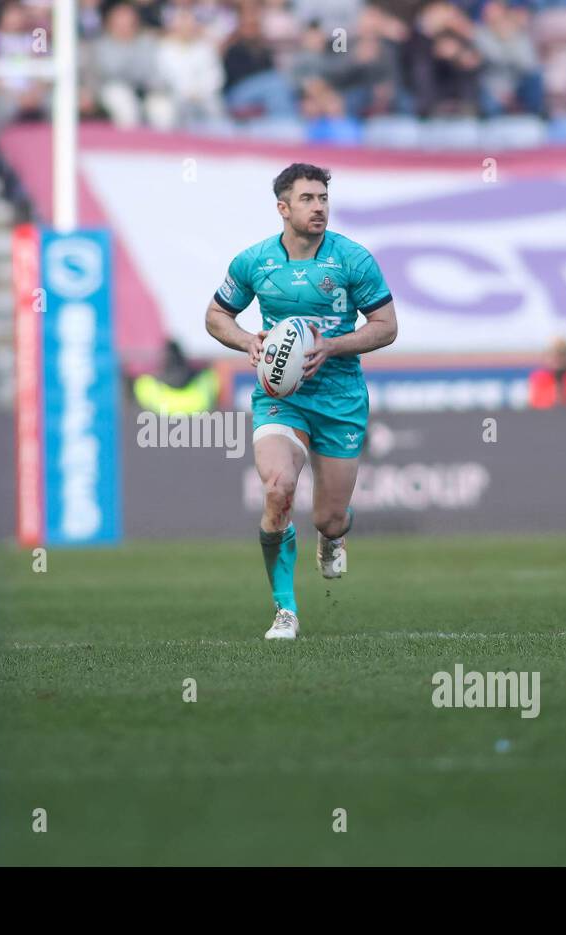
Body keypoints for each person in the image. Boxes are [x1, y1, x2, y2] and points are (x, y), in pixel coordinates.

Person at [204, 163, 397, 640]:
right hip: (280, 397)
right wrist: (248, 340)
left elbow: (386, 327)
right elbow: (215, 315)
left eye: (323, 198)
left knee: (329, 517)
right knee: (278, 488)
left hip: (339, 397)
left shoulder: (353, 259)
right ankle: (285, 611)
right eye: (308, 199)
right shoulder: (253, 262)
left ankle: (333, 538)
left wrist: (331, 346)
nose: (319, 207)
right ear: (283, 208)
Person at [528, 336, 566, 408]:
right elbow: (533, 405)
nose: (558, 358)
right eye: (554, 354)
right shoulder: (537, 379)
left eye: (563, 354)